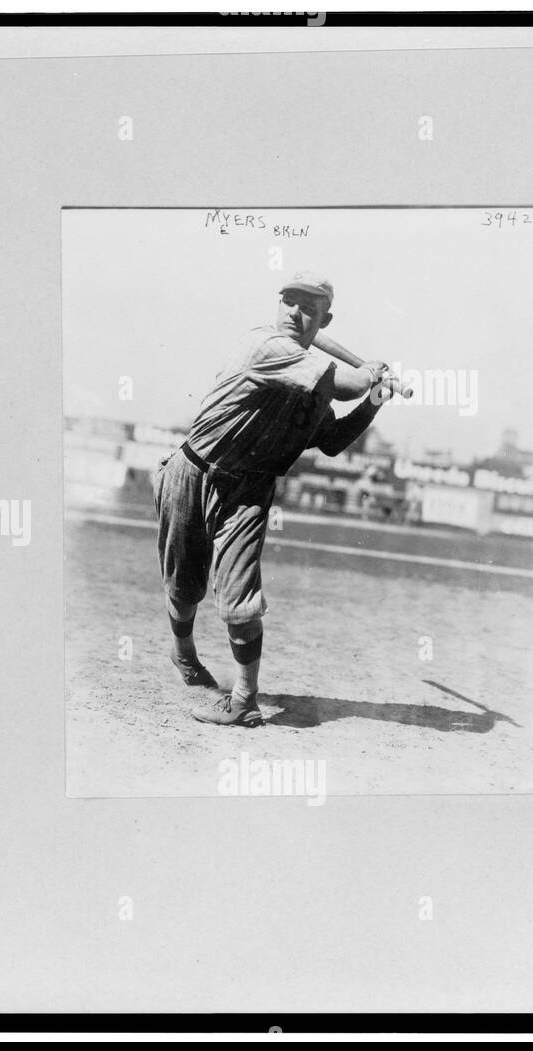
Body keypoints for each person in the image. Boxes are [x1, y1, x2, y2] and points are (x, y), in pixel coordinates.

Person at [154, 272, 397, 727]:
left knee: (239, 598)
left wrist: (373, 402)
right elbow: (347, 384)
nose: (294, 312)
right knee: (184, 585)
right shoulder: (266, 345)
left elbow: (331, 440)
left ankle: (244, 697)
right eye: (288, 301)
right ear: (277, 304)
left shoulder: (310, 382)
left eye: (308, 307)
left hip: (248, 490)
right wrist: (369, 374)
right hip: (194, 470)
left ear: (325, 319)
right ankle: (183, 653)